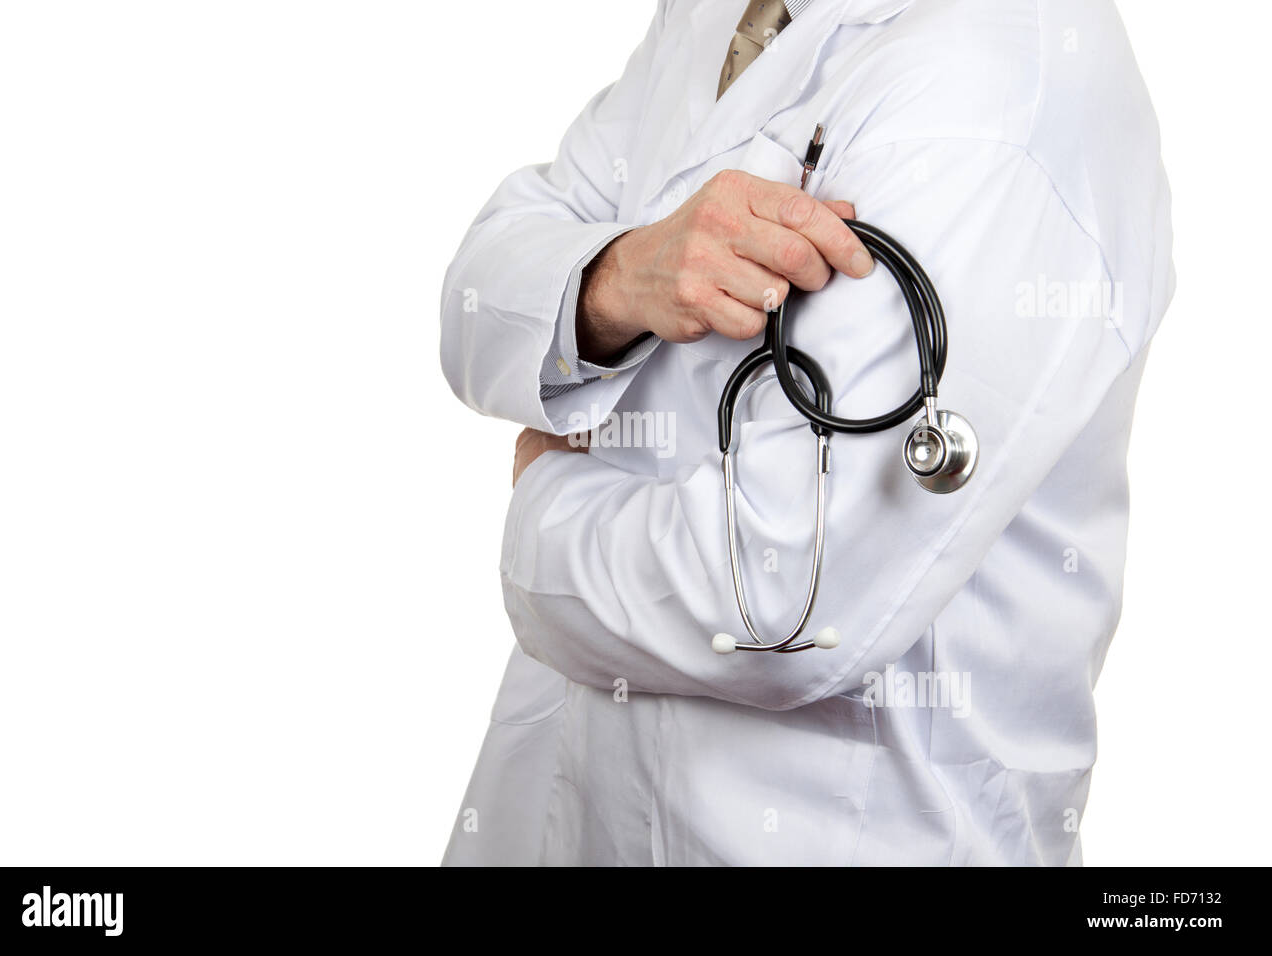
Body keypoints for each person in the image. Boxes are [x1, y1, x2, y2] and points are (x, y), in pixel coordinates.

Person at [439, 0, 1173, 866]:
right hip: (566, 807)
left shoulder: (994, 85)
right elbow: (476, 298)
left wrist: (542, 503)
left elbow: (779, 604)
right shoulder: (730, 15)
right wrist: (618, 276)